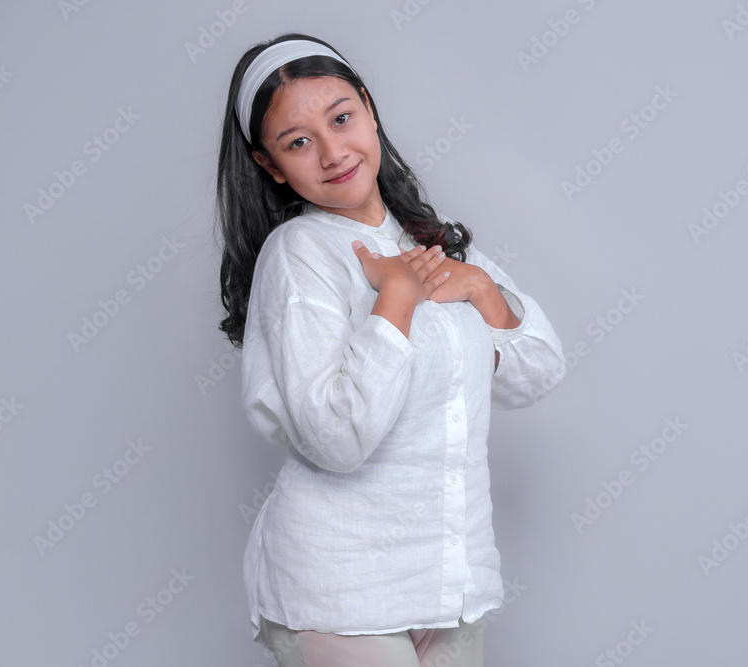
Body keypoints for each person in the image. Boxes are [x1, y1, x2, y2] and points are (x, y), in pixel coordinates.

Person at [215, 32, 566, 667]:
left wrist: (481, 289)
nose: (331, 152)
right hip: (341, 590)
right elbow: (337, 439)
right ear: (270, 165)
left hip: (451, 581)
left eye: (342, 118)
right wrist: (396, 301)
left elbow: (537, 373)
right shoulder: (300, 255)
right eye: (297, 142)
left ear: (370, 110)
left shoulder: (430, 240)